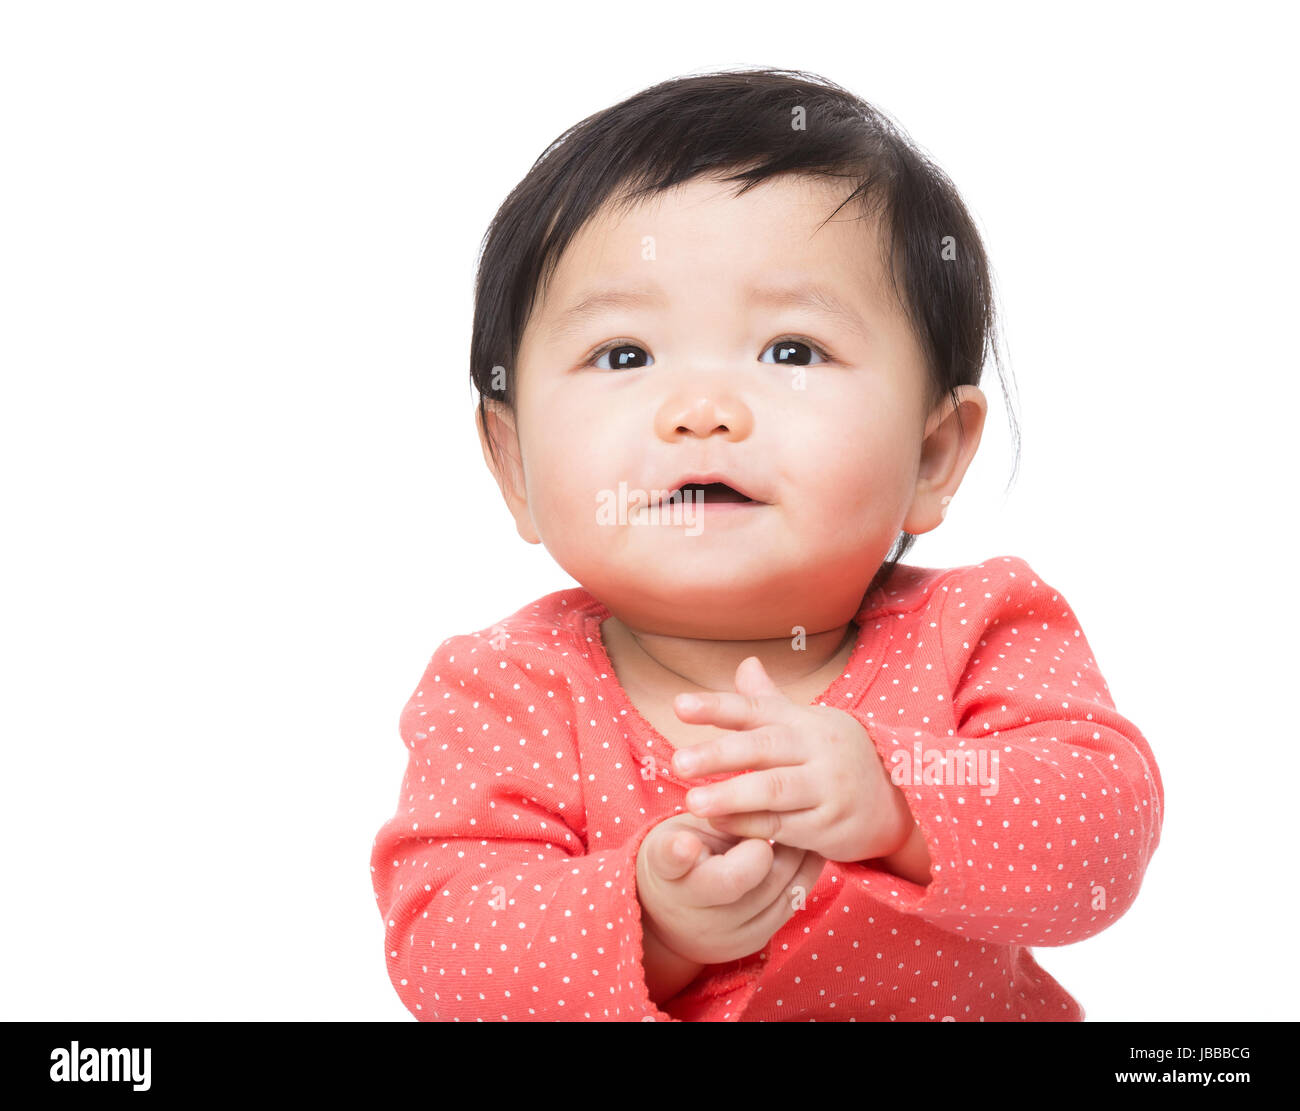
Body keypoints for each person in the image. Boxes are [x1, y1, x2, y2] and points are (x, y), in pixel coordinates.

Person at [369, 67, 1163, 1021]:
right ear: (513, 464)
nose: (703, 411)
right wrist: (650, 923)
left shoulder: (977, 632)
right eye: (624, 355)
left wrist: (894, 791)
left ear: (933, 452)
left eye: (792, 351)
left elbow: (1101, 842)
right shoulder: (507, 689)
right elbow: (444, 947)